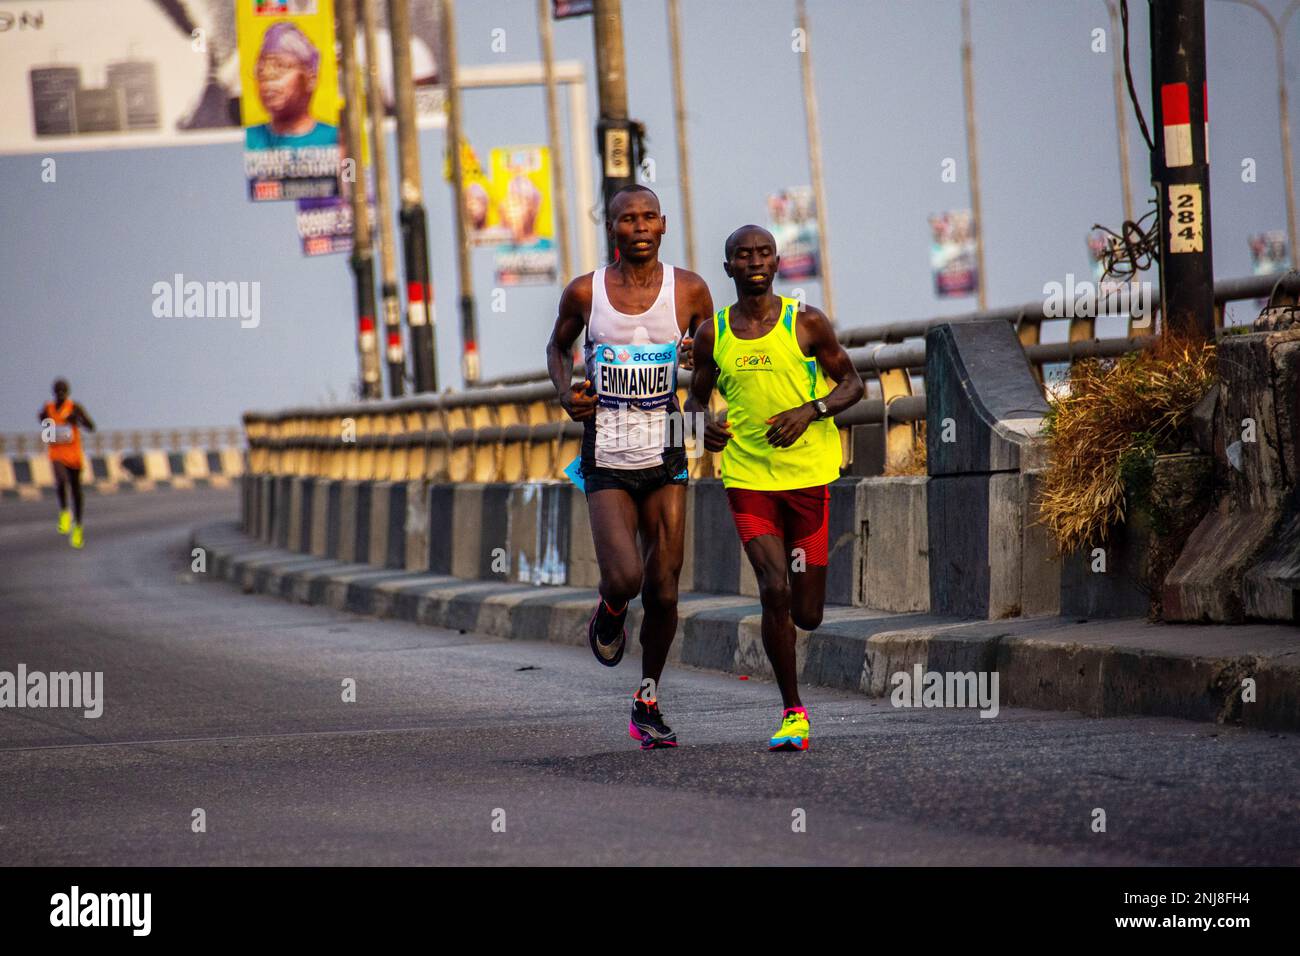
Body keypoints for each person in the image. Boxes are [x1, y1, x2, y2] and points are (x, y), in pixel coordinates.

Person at [545, 184, 714, 749]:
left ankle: (647, 698)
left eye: (648, 218)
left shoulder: (689, 290)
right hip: (607, 452)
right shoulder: (584, 293)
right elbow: (556, 347)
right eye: (627, 219)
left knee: (665, 593)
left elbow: (708, 360)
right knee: (626, 578)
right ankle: (611, 609)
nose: (639, 227)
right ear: (612, 229)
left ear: (663, 225)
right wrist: (566, 392)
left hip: (667, 447)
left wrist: (697, 407)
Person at [686, 225, 864, 751]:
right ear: (729, 269)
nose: (755, 261)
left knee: (807, 612)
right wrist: (704, 425)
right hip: (747, 478)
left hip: (808, 476)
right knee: (773, 589)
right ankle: (792, 711)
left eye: (763, 253)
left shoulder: (805, 323)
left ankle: (795, 669)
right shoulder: (712, 335)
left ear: (777, 261)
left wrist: (812, 410)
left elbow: (854, 384)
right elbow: (696, 401)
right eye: (743, 255)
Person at [245, 22, 337, 149]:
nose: (267, 77)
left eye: (280, 66)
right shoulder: (248, 139)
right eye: (261, 69)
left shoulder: (335, 140)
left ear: (311, 79)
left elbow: (352, 168)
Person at [38, 379, 96, 550]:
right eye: (58, 392)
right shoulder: (48, 408)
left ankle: (78, 527)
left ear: (68, 393)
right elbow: (42, 420)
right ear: (54, 393)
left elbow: (91, 426)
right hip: (56, 453)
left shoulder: (74, 408)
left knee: (76, 490)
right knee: (61, 480)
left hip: (74, 455)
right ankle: (64, 512)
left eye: (63, 392)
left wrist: (77, 420)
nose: (61, 395)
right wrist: (45, 421)